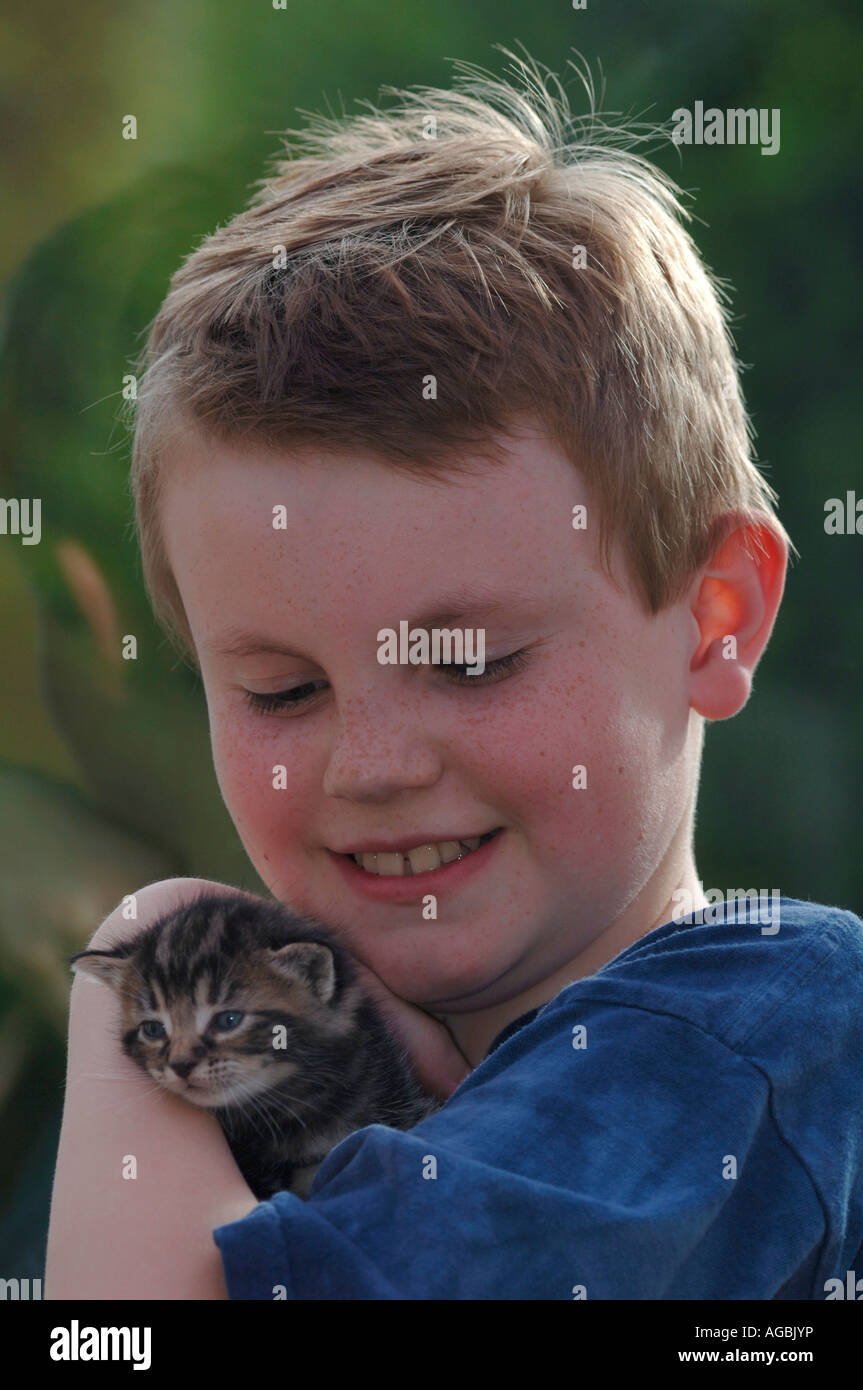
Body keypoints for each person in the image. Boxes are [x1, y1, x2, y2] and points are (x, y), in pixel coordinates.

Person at [46, 53, 863, 1300]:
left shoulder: (770, 1020)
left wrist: (146, 963)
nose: (374, 766)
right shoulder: (258, 1113)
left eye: (470, 662)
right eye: (281, 689)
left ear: (714, 617)